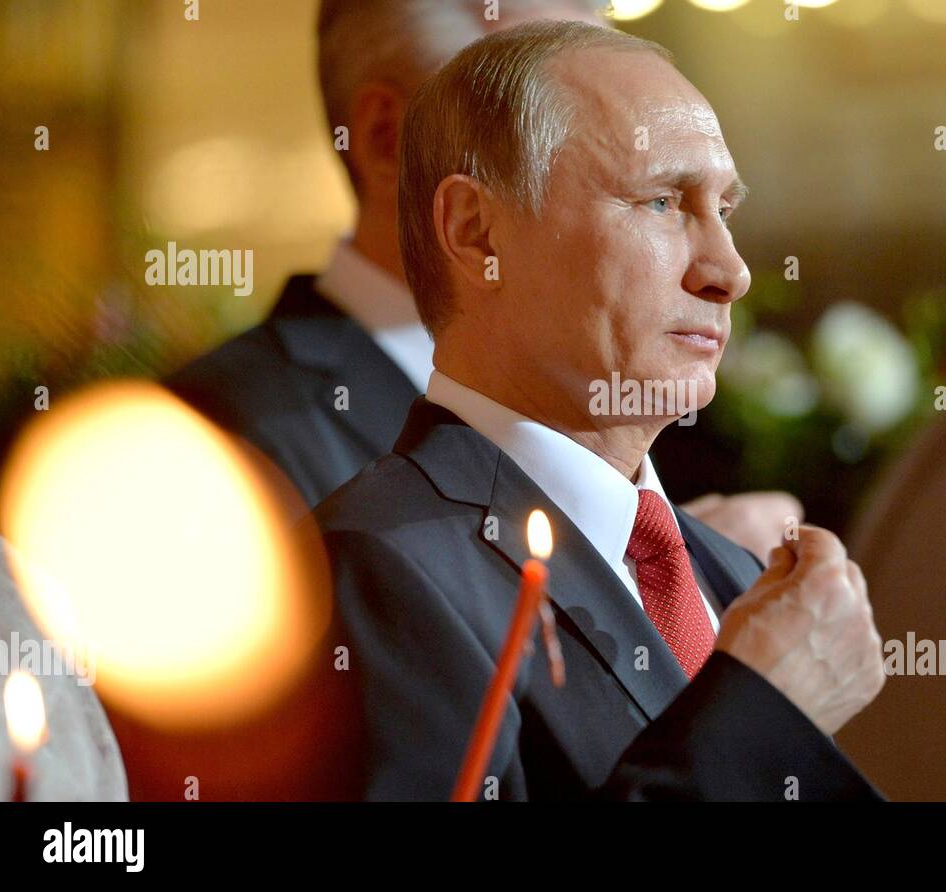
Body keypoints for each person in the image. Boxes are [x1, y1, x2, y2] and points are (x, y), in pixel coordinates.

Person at [316, 19, 887, 800]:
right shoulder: (366, 571)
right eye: (661, 201)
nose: (731, 271)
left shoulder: (728, 572)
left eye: (726, 209)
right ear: (476, 231)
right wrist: (759, 712)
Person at [164, 0, 800, 562]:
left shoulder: (634, 388)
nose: (729, 273)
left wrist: (685, 585)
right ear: (388, 139)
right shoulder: (203, 438)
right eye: (518, 83)